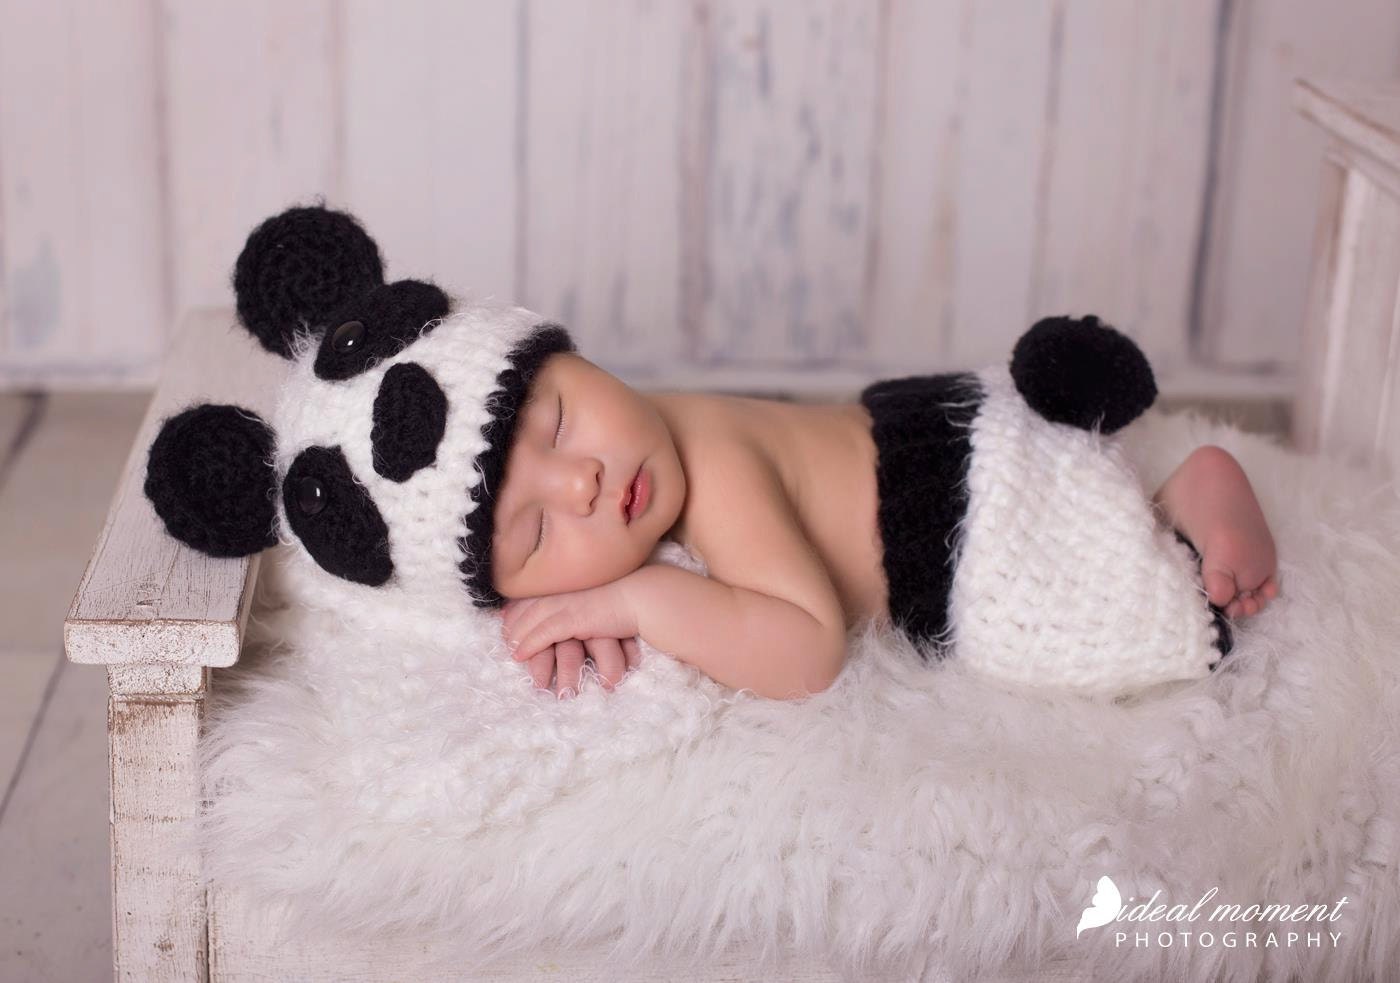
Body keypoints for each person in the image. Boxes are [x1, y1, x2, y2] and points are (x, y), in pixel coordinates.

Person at [493, 349, 1280, 700]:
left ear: (576, 354)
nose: (583, 481)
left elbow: (807, 649)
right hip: (928, 435)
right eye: (538, 535)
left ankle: (1185, 503)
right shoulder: (651, 432)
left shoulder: (712, 468)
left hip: (960, 512)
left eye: (560, 419)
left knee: (1109, 612)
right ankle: (1165, 490)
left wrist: (637, 601)